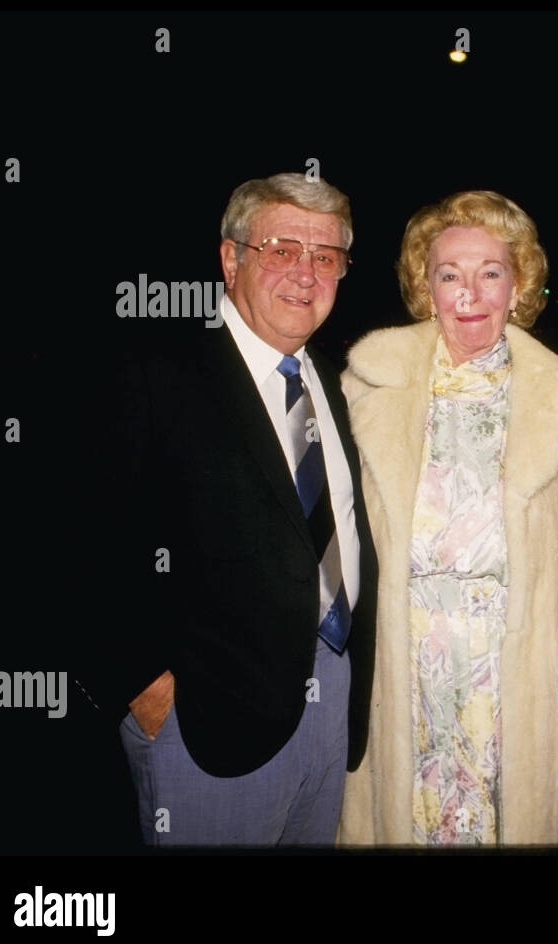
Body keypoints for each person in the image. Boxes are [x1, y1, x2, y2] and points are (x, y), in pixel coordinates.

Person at [94, 172, 378, 845]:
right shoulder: (153, 371)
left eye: (325, 257)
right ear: (230, 258)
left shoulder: (333, 382)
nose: (304, 274)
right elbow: (80, 540)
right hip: (207, 723)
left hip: (332, 695)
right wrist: (146, 687)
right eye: (280, 249)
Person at [336, 190, 558, 847]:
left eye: (491, 272)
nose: (470, 293)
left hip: (514, 666)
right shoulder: (367, 386)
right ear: (426, 289)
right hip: (401, 662)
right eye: (449, 274)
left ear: (520, 285)